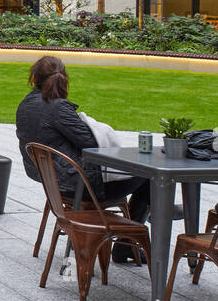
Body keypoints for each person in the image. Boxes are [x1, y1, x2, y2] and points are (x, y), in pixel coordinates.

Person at [16, 55, 150, 261]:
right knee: (150, 177)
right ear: (64, 79)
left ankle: (139, 230)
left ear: (34, 78)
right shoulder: (57, 107)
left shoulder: (25, 105)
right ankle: (126, 245)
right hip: (78, 187)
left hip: (51, 182)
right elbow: (93, 145)